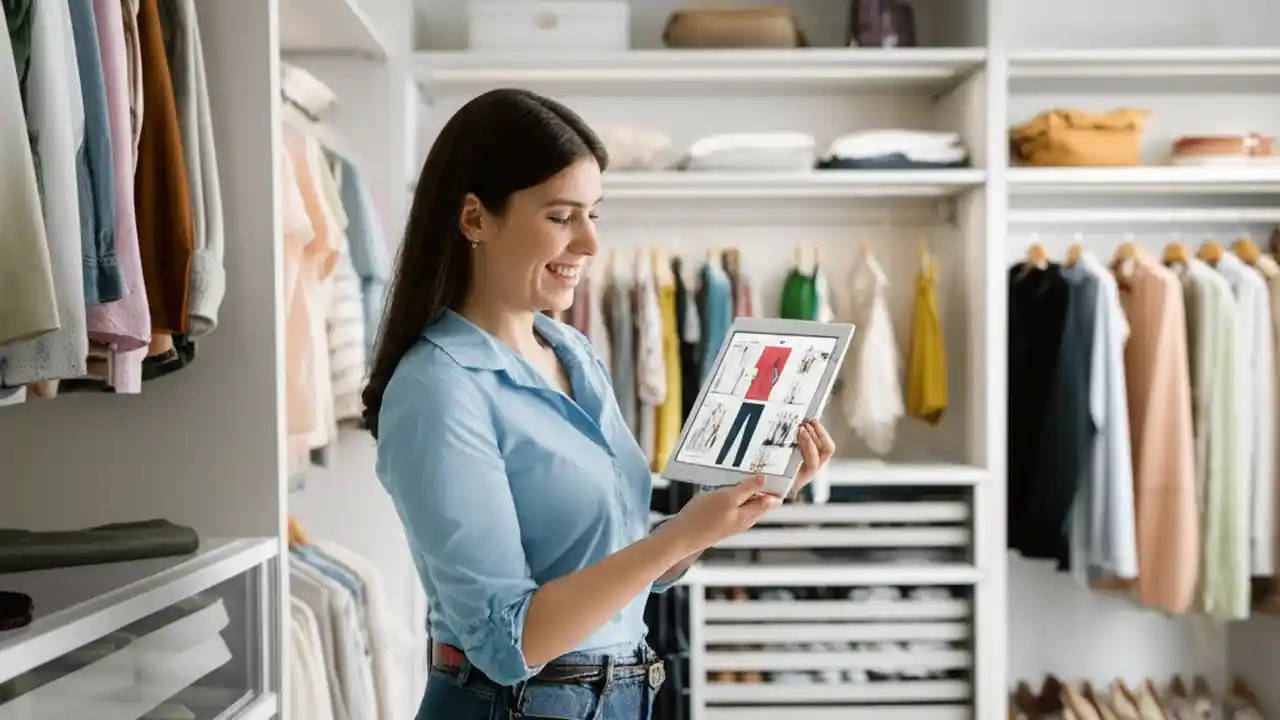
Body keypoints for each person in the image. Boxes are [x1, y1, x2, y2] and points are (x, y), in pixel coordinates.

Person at [362, 88, 837, 720]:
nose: (589, 243)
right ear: (474, 218)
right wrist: (681, 535)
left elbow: (625, 560)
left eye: (594, 214)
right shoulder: (438, 389)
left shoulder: (572, 352)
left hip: (622, 696)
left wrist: (729, 510)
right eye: (562, 217)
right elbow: (508, 643)